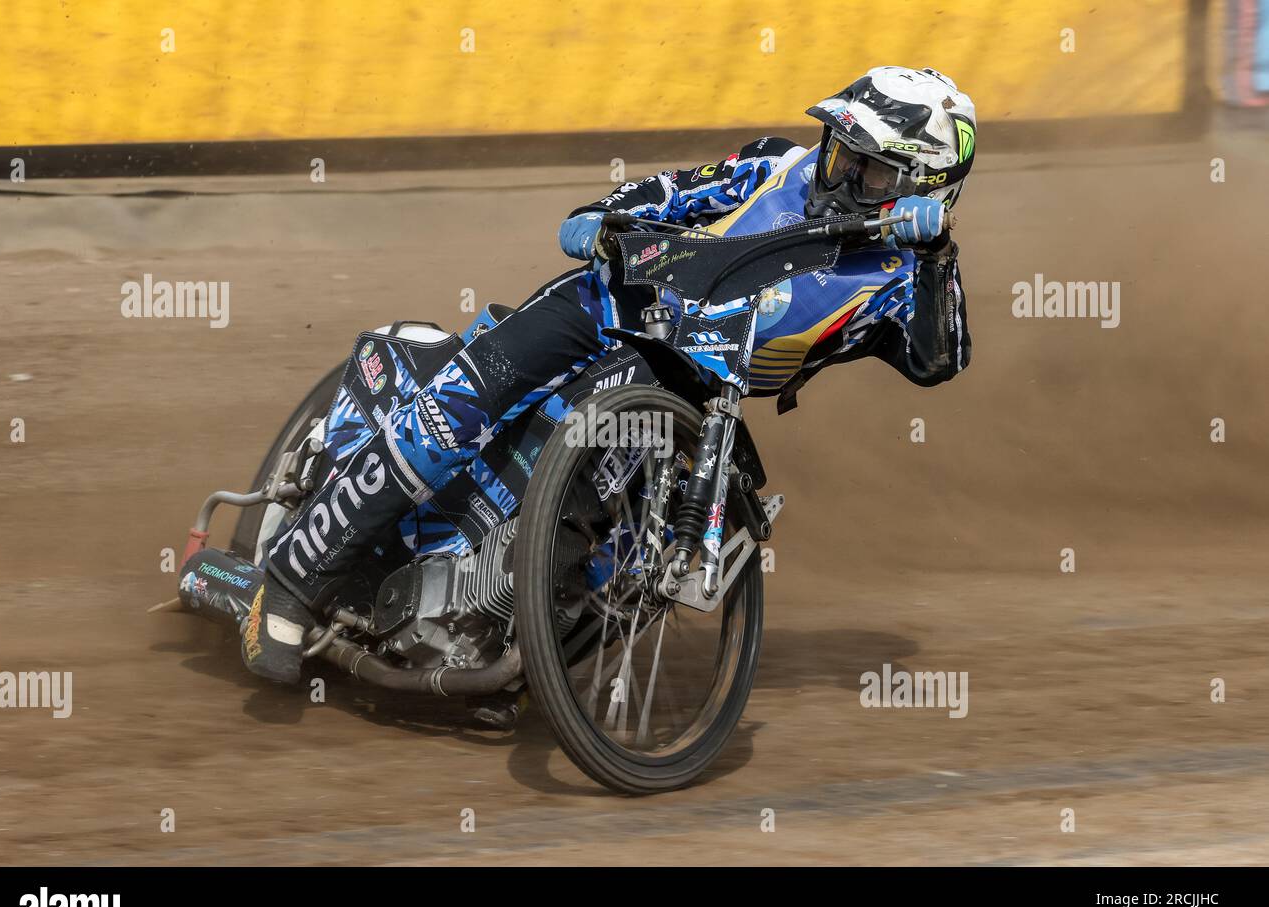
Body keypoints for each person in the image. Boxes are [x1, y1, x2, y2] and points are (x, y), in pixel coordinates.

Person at [242, 66, 976, 686]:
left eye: (869, 166)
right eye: (839, 150)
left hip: (688, 386)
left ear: (927, 187)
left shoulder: (903, 277)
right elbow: (677, 191)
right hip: (613, 298)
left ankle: (510, 637)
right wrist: (603, 212)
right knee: (463, 402)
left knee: (595, 525)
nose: (839, 171)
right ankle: (294, 579)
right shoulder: (777, 164)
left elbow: (939, 359)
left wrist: (938, 253)